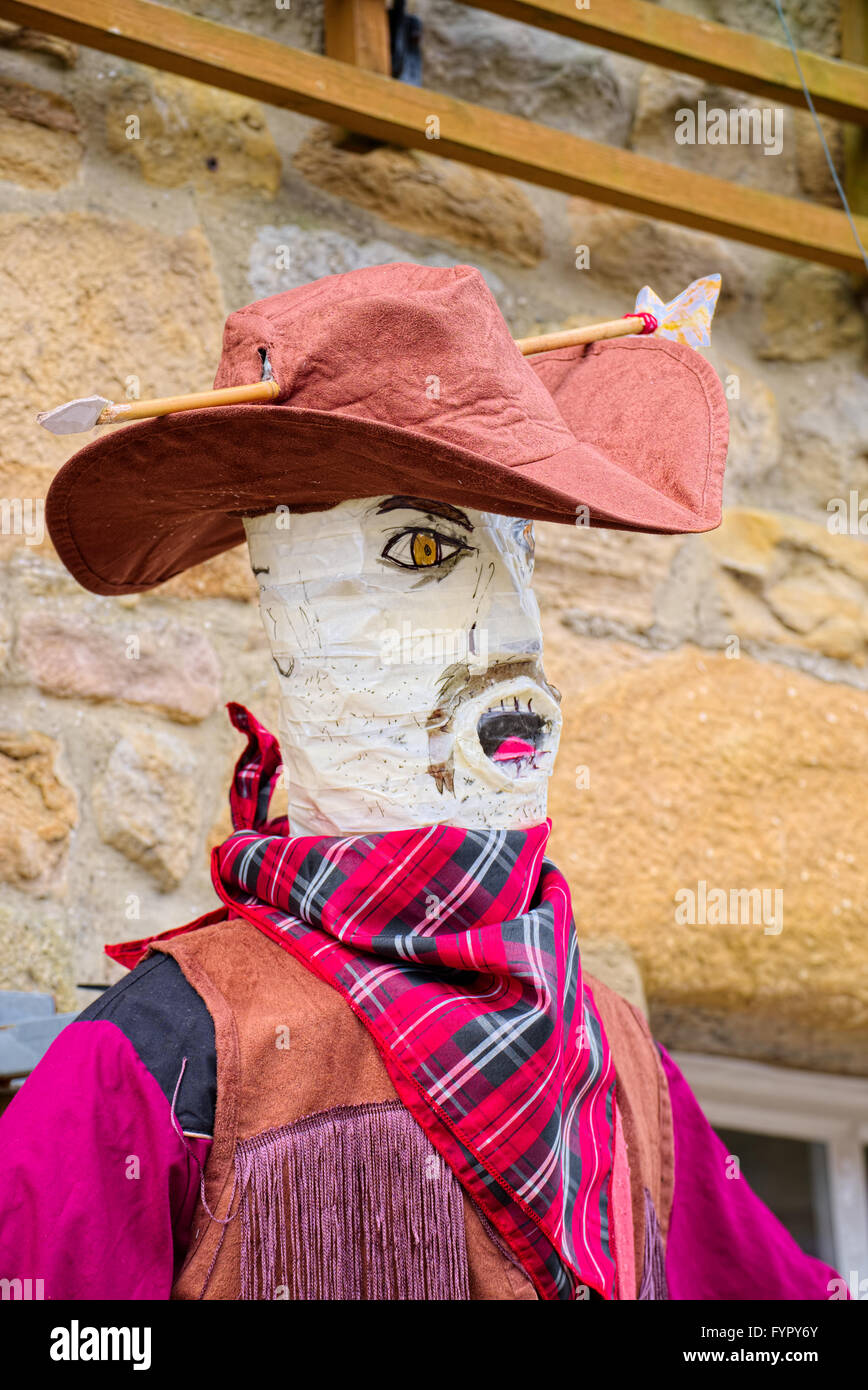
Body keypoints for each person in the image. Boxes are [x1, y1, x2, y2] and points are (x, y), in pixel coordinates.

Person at [0, 262, 841, 1300]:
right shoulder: (161, 1056)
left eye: (518, 554)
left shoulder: (616, 1063)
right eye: (421, 549)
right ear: (290, 612)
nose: (516, 633)